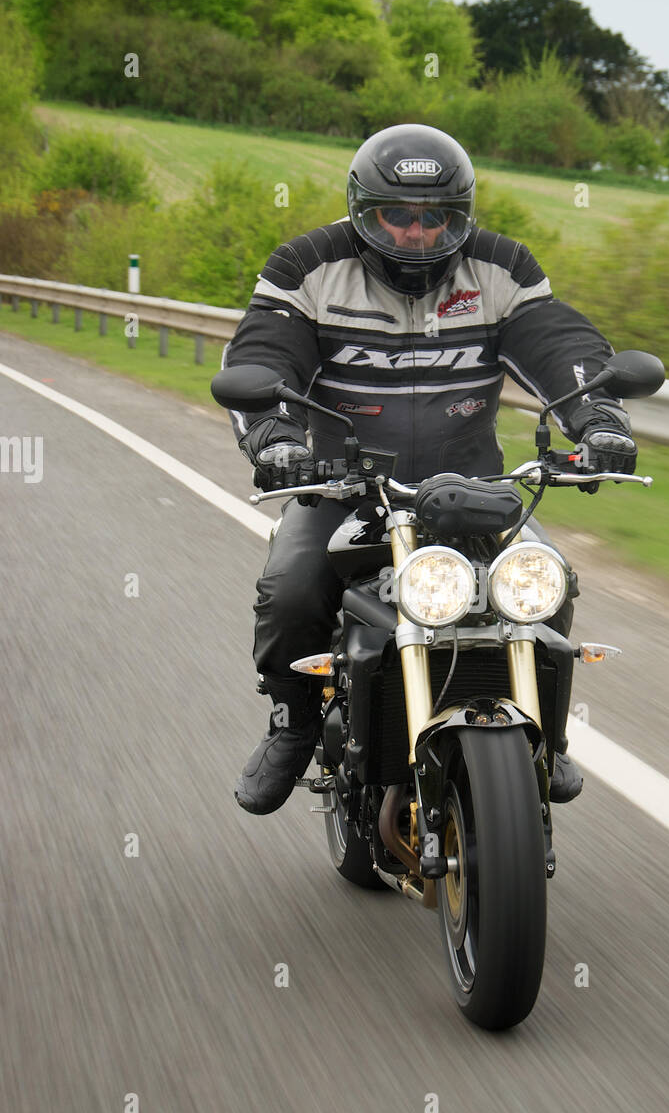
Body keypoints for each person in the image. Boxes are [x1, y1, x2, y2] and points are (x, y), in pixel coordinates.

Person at [222, 123, 637, 815]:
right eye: (399, 216)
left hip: (472, 486)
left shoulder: (501, 268)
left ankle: (545, 736)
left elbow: (561, 346)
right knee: (292, 591)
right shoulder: (307, 267)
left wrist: (599, 419)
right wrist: (272, 438)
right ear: (363, 209)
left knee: (542, 583)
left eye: (435, 218)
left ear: (461, 214)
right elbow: (264, 359)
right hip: (342, 485)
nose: (417, 233)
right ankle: (292, 725)